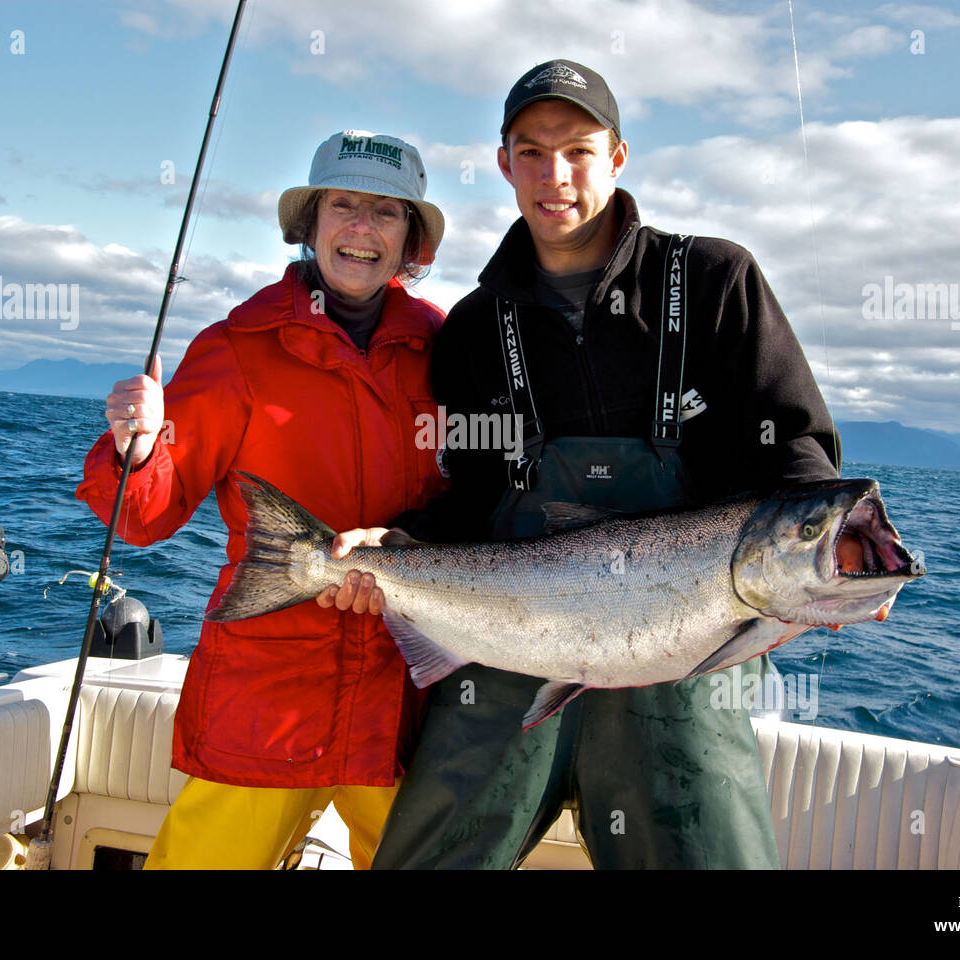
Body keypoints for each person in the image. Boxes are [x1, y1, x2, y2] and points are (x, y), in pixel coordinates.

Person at [327, 60, 840, 869]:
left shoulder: (715, 280)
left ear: (619, 157)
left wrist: (825, 561)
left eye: (578, 151)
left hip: (683, 659)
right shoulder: (469, 329)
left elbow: (797, 450)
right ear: (503, 164)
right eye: (531, 152)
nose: (553, 176)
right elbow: (470, 501)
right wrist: (391, 549)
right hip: (507, 658)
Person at [76, 130, 448, 869]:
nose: (361, 229)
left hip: (405, 689)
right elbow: (146, 515)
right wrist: (137, 449)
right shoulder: (236, 348)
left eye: (386, 211)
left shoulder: (445, 347)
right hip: (268, 693)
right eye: (342, 205)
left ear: (411, 240)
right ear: (308, 223)